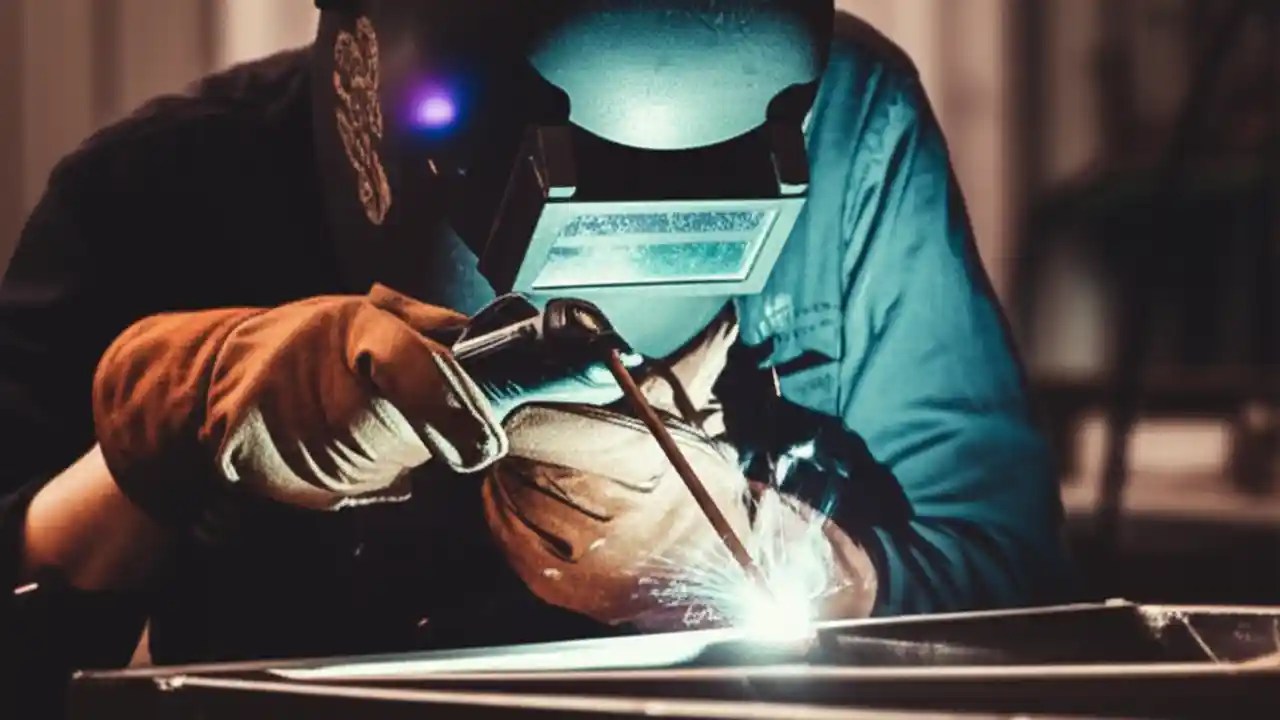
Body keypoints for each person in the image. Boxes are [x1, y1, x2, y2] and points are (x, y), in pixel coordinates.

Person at [0, 0, 1072, 709]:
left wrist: (772, 557)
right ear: (364, 73)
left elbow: (1016, 596)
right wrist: (146, 461)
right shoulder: (151, 194)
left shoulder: (847, 129)